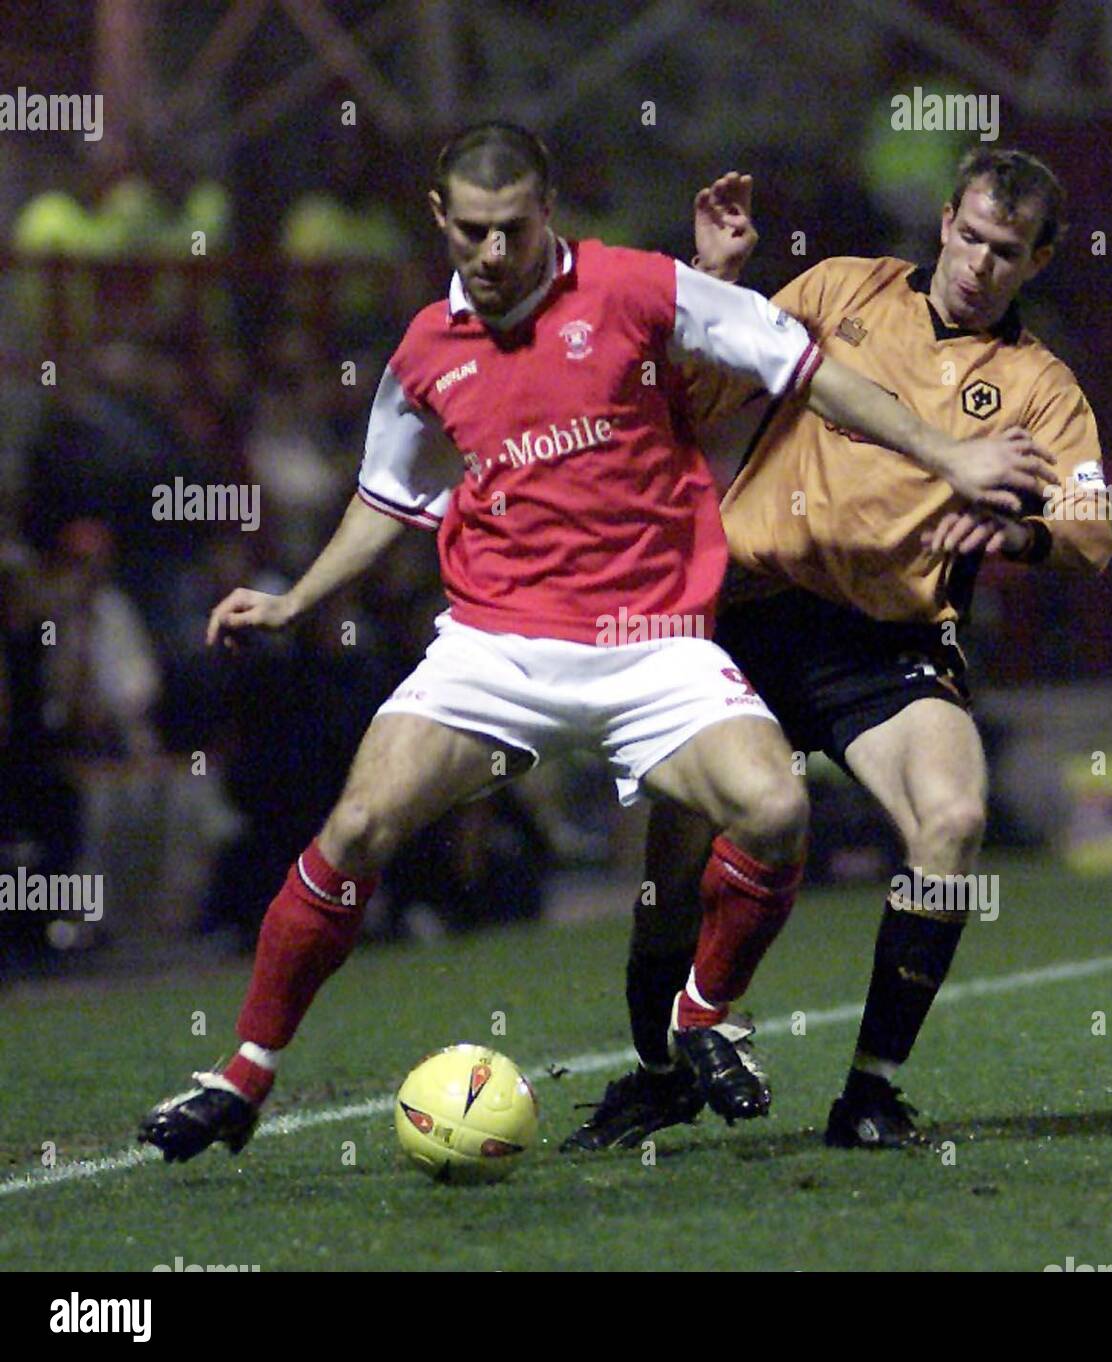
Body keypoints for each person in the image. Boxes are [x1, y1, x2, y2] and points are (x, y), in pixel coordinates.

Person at [138, 124, 1054, 1163]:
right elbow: (387, 496)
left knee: (774, 810)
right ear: (440, 220)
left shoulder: (639, 287)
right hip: (493, 648)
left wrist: (947, 454)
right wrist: (297, 599)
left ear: (548, 210)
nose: (492, 253)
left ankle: (701, 1016)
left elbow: (808, 370)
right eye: (471, 231)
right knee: (354, 828)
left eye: (513, 229)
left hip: (651, 646)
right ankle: (242, 1075)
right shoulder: (424, 351)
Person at [564, 148, 1112, 1153]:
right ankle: (659, 1074)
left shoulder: (1040, 386)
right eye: (971, 236)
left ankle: (868, 1094)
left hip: (885, 644)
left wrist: (1021, 533)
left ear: (1038, 261)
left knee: (952, 819)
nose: (980, 263)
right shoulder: (835, 291)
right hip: (748, 614)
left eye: (1006, 251)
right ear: (944, 220)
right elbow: (692, 402)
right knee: (669, 873)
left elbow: (1093, 528)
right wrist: (714, 281)